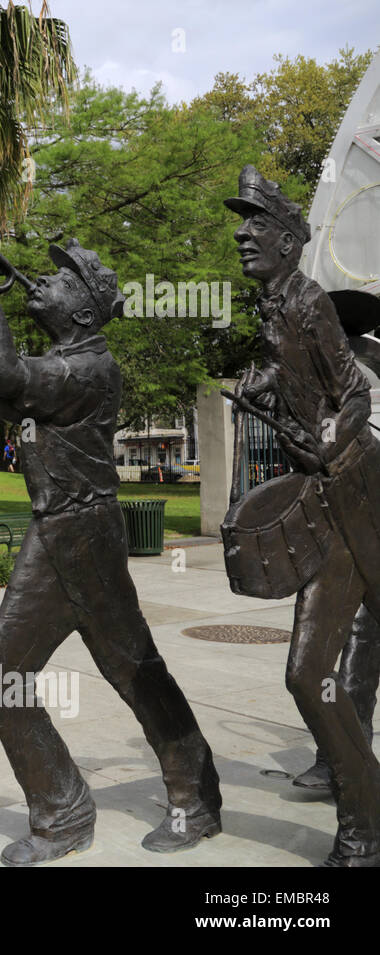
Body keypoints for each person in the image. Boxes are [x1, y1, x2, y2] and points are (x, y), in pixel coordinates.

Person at [0, 230, 221, 866]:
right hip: (63, 530)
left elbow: (10, 375)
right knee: (114, 669)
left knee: (109, 671)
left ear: (87, 310)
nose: (43, 283)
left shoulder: (89, 367)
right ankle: (78, 808)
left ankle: (124, 805)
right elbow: (0, 387)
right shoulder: (66, 361)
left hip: (79, 533)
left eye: (61, 281)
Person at [227, 165, 380, 865]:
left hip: (352, 492)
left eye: (257, 225)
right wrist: (262, 384)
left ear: (289, 241)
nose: (242, 234)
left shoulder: (308, 299)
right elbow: (303, 382)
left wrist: (327, 442)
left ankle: (363, 818)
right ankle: (364, 810)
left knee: (310, 670)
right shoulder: (273, 306)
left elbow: (353, 397)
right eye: (242, 222)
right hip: (328, 498)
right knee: (310, 670)